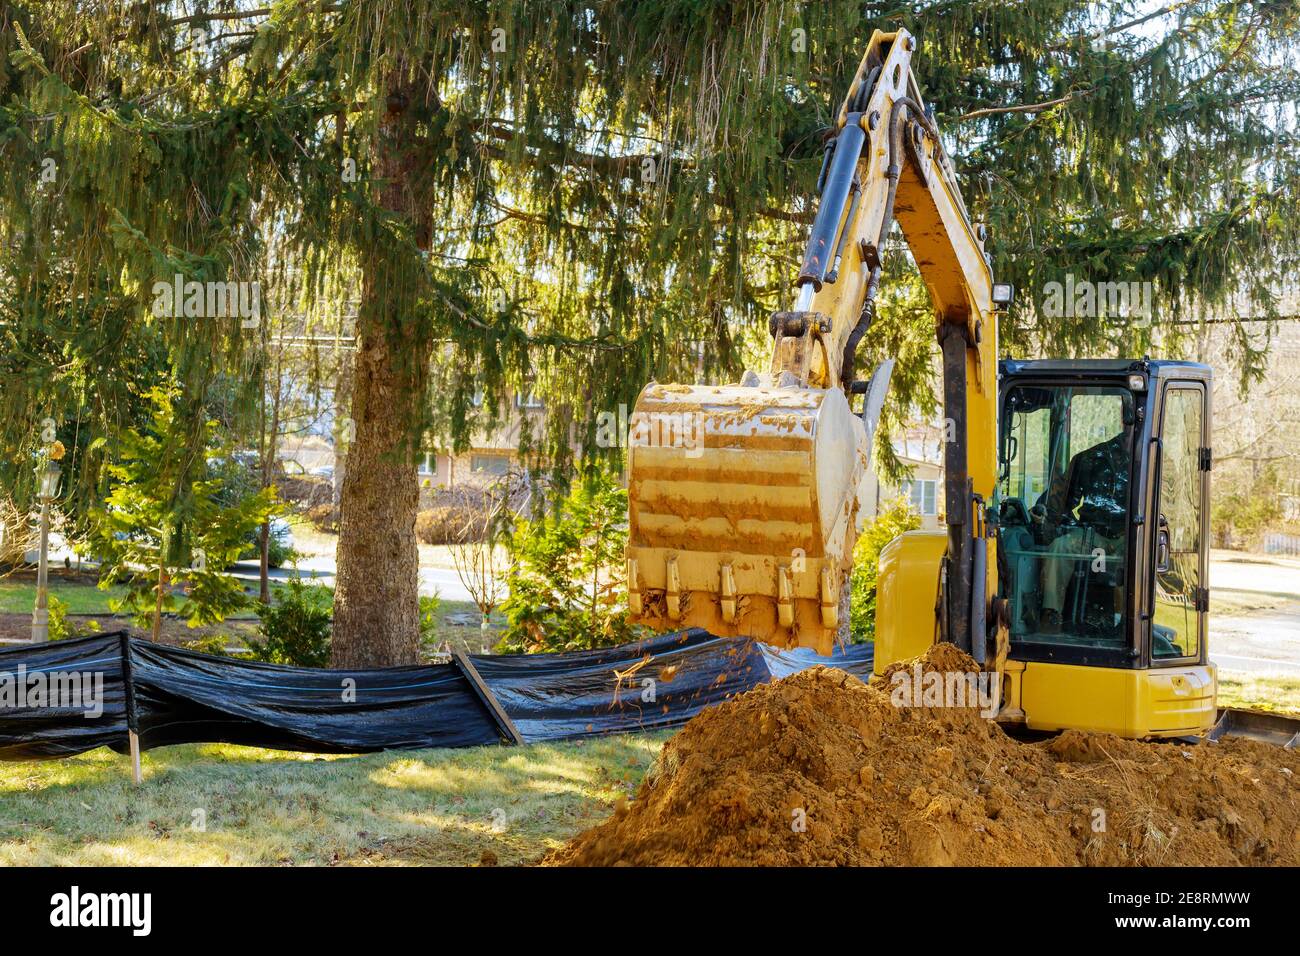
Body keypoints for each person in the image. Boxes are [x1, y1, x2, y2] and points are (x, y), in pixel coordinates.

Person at [1036, 420, 1132, 632]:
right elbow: (1063, 503)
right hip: (1093, 535)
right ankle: (1052, 614)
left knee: (1141, 556)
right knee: (1060, 547)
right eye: (1129, 421)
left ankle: (1130, 622)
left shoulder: (1148, 461)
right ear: (1125, 420)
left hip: (1131, 537)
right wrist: (1056, 520)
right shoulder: (1090, 459)